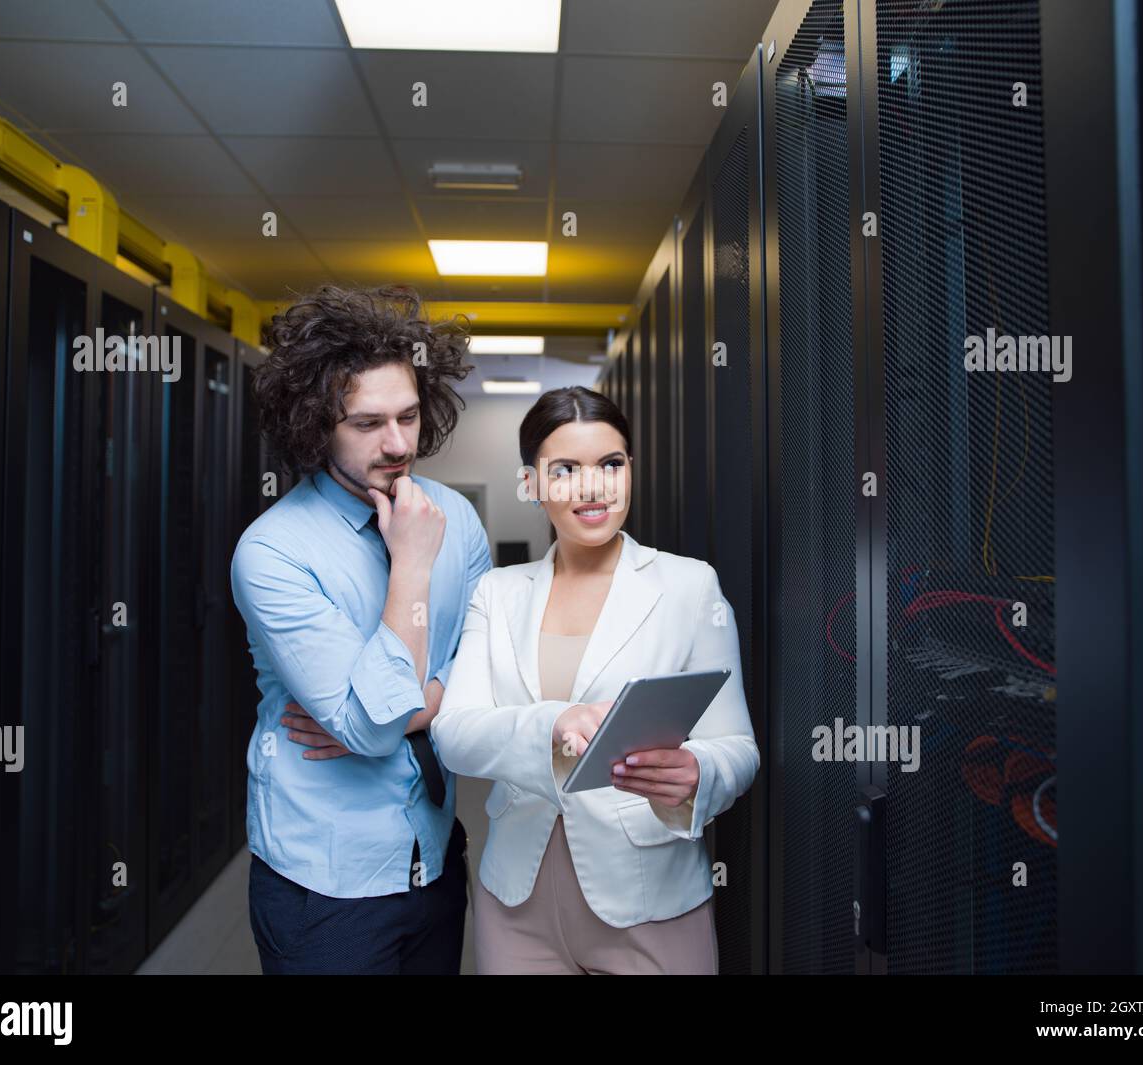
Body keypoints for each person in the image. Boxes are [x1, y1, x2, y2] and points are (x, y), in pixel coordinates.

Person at [431, 386, 759, 974]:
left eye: (610, 464)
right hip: (518, 903)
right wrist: (553, 723)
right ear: (531, 483)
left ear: (630, 469)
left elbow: (738, 749)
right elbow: (454, 733)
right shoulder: (497, 594)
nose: (593, 487)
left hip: (650, 898)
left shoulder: (690, 587)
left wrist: (698, 773)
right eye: (565, 469)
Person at [230, 284, 492, 974]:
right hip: (327, 882)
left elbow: (493, 665)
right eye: (368, 423)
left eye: (408, 415)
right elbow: (376, 725)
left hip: (433, 854)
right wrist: (409, 564)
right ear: (316, 426)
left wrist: (414, 708)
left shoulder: (455, 518)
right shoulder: (272, 552)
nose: (400, 442)